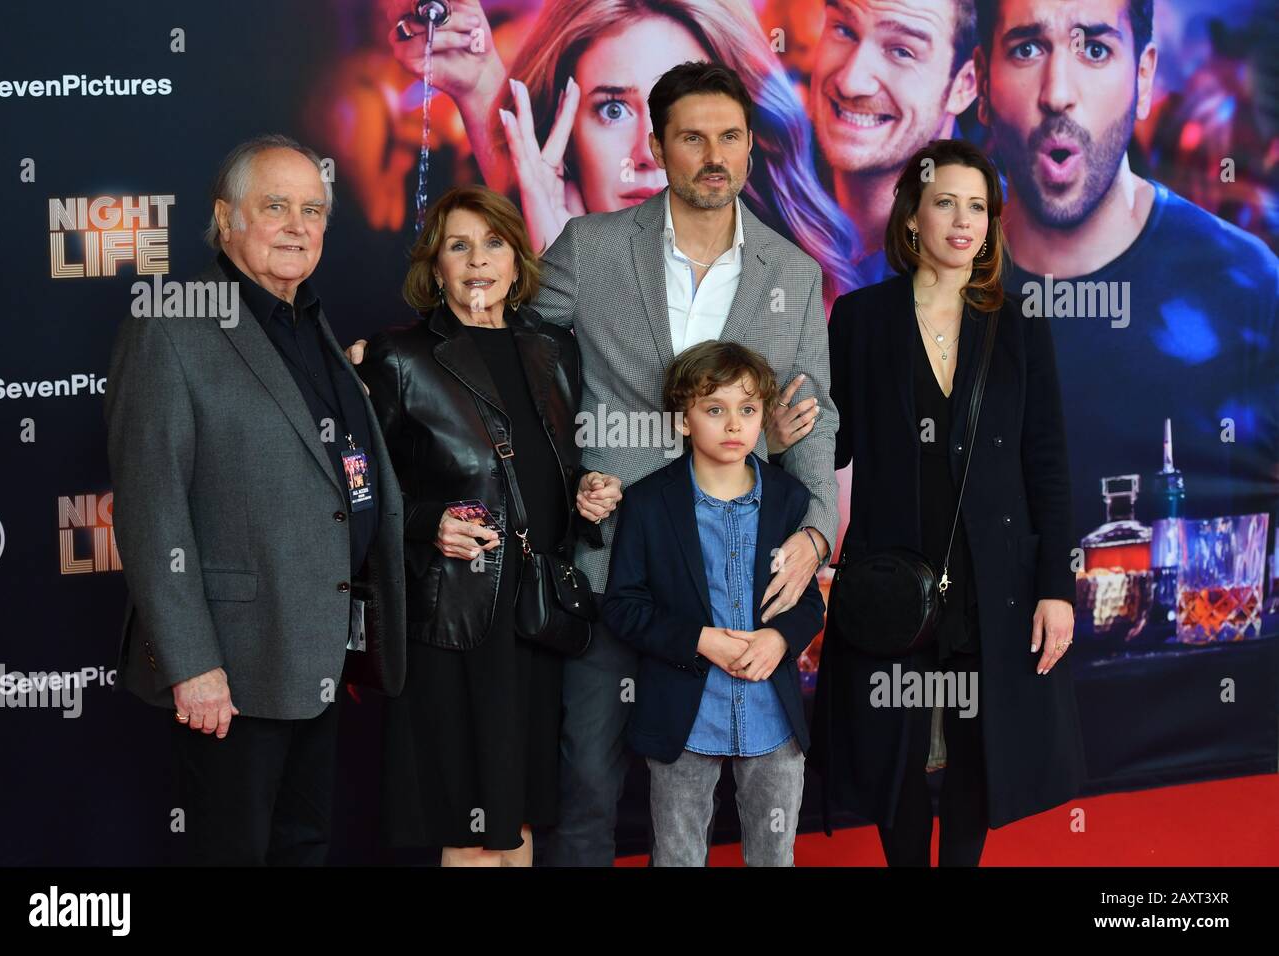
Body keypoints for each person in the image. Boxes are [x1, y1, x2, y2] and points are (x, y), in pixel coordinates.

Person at [350, 61, 840, 866]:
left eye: (729, 137)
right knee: (584, 791)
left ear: (752, 149)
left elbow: (813, 420)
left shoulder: (791, 273)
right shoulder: (593, 245)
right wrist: (389, 361)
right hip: (608, 573)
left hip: (733, 582)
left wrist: (817, 535)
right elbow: (499, 348)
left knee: (743, 790)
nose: (712, 155)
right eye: (691, 137)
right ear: (657, 147)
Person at [104, 134, 406, 865]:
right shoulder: (172, 324)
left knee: (304, 844)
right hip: (230, 669)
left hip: (317, 653)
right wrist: (192, 665)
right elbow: (150, 508)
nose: (299, 225)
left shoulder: (310, 321)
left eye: (312, 209)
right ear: (225, 217)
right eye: (275, 206)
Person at [805, 139, 1085, 865]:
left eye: (979, 208)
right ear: (912, 217)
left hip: (994, 579)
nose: (964, 222)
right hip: (891, 579)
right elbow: (831, 450)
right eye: (945, 204)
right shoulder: (861, 321)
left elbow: (1048, 468)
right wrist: (787, 425)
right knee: (894, 753)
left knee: (976, 749)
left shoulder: (1019, 324)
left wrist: (1056, 587)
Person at [356, 184, 619, 866]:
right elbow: (362, 491)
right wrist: (427, 524)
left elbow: (549, 467)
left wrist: (585, 490)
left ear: (517, 257)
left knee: (519, 822)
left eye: (494, 242)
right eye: (459, 245)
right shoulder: (399, 355)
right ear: (435, 266)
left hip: (533, 616)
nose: (479, 261)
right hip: (455, 618)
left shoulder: (552, 348)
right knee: (468, 830)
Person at [974, 0, 1279, 540]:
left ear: (1143, 76)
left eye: (1094, 49)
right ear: (980, 81)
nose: (1058, 93)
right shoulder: (918, 297)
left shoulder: (1251, 290)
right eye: (1027, 48)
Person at [384, 0, 860, 302]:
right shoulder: (505, 296)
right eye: (613, 110)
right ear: (566, 142)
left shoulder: (793, 296)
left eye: (684, 110)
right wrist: (479, 85)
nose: (649, 152)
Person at [602, 341, 826, 866]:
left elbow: (809, 601)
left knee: (774, 856)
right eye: (714, 409)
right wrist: (698, 640)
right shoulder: (648, 502)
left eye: (747, 410)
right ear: (683, 420)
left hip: (772, 716)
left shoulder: (790, 498)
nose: (733, 425)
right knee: (677, 856)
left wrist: (780, 637)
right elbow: (623, 605)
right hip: (685, 715)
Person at [809, 0, 980, 283]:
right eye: (844, 30)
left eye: (902, 51)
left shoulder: (1000, 259)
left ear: (965, 85)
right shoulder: (760, 198)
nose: (851, 82)